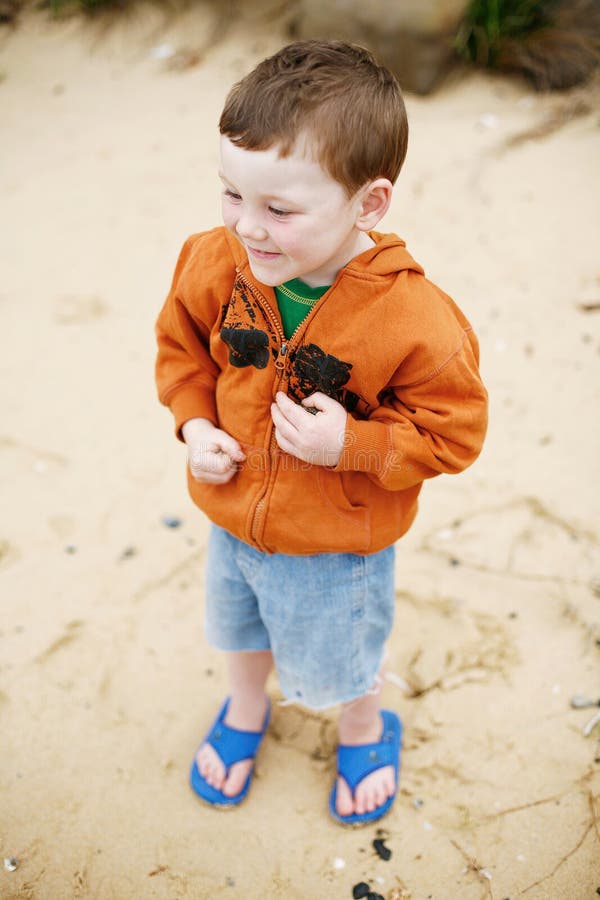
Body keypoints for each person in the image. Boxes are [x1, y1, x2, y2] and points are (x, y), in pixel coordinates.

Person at [155, 39, 488, 826]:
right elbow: (181, 350)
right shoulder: (214, 260)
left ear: (368, 205)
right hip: (233, 516)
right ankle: (244, 709)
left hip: (339, 548)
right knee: (237, 628)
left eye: (279, 208)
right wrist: (194, 423)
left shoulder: (414, 319)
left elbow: (455, 434)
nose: (247, 226)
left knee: (342, 659)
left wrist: (353, 446)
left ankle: (367, 728)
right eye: (232, 194)